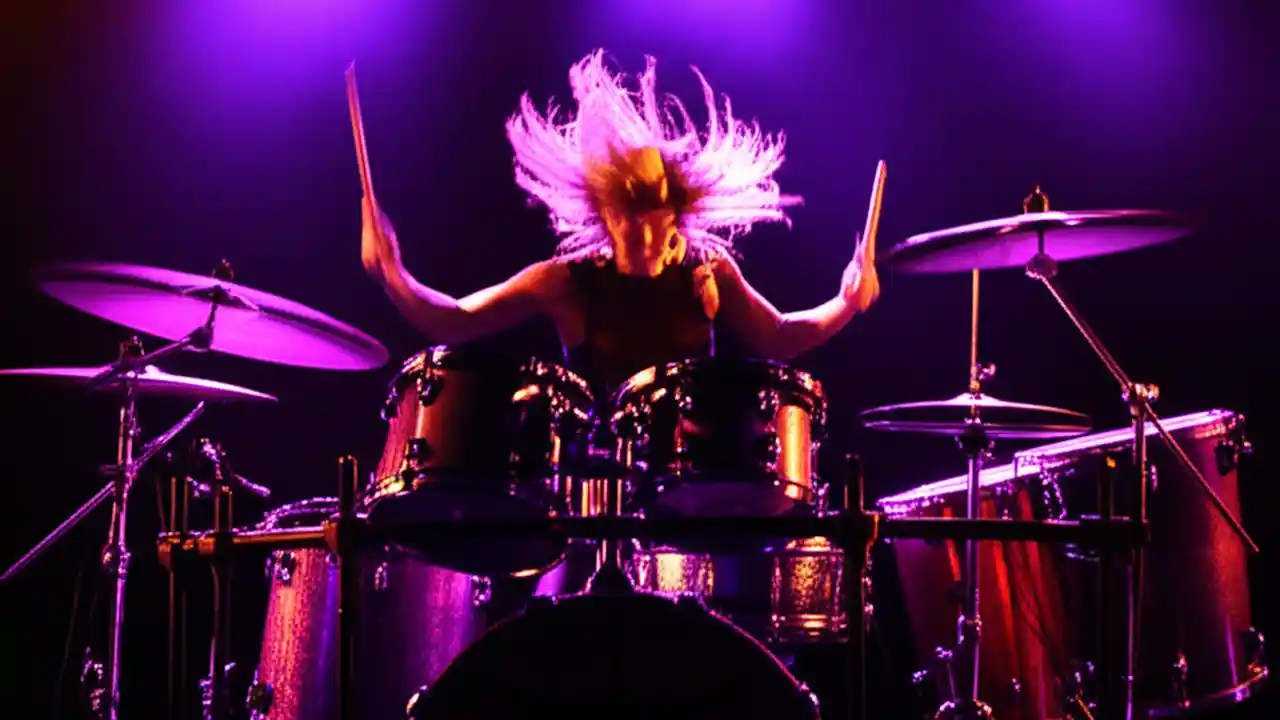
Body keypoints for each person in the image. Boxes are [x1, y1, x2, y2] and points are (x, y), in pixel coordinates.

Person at [360, 49, 882, 399]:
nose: (651, 236)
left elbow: (781, 336)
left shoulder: (708, 273)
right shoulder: (565, 282)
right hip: (593, 491)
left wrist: (845, 302)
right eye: (634, 219)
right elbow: (456, 320)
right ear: (606, 215)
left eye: (660, 216)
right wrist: (392, 274)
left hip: (683, 491)